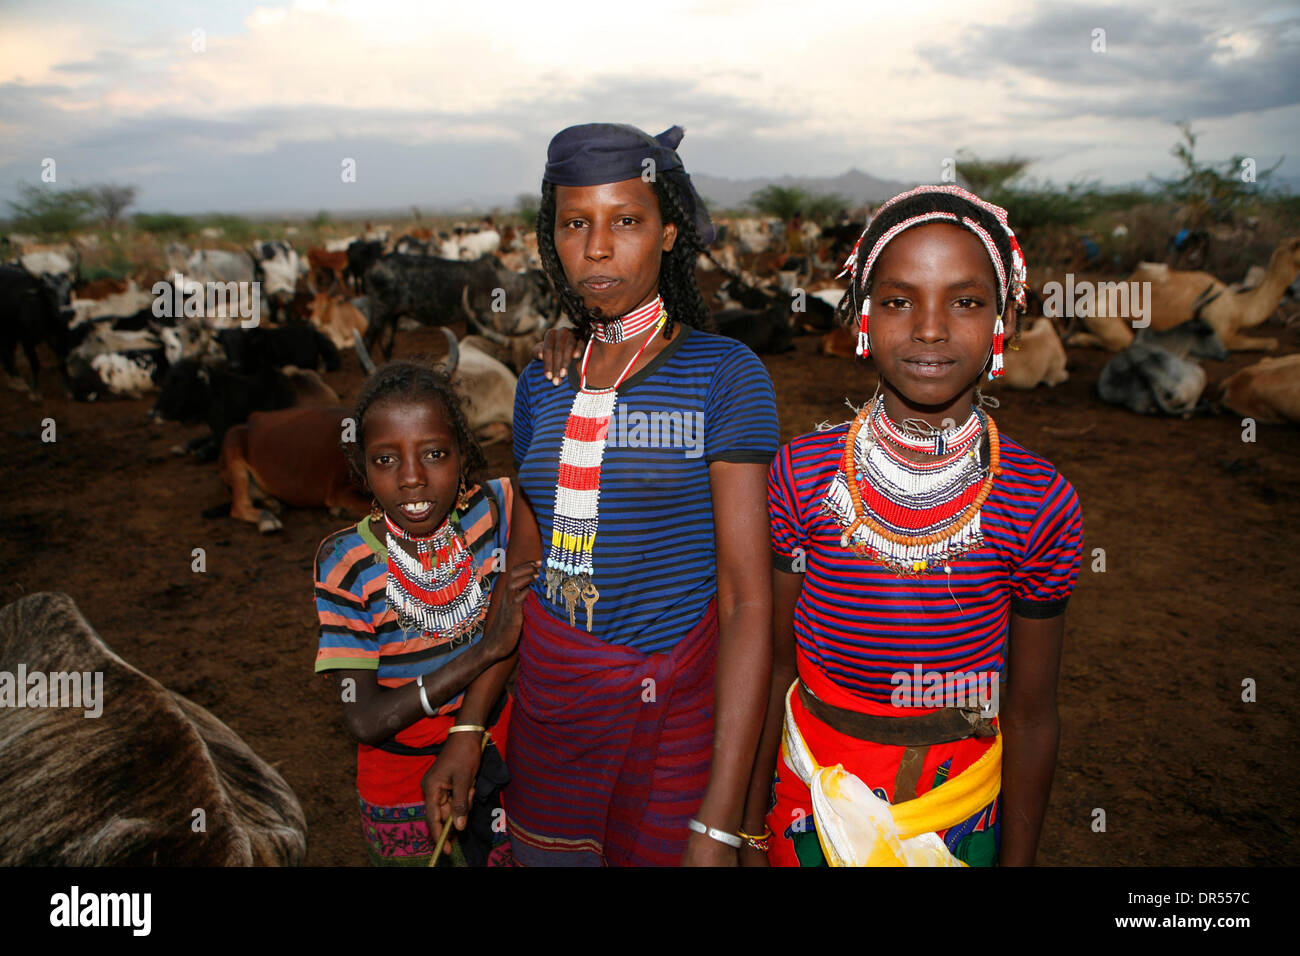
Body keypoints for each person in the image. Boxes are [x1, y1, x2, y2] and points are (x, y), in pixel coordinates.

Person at [743, 185, 1084, 866]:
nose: (931, 327)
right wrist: (751, 830)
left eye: (965, 301)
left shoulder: (1039, 500)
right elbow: (776, 666)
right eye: (899, 300)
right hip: (807, 797)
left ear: (1003, 323)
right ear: (862, 321)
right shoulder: (800, 473)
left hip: (957, 813)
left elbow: (1031, 712)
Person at [505, 123, 779, 866]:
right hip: (549, 717)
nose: (597, 247)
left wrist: (720, 823)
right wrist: (470, 728)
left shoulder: (726, 375)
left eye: (626, 220)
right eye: (574, 223)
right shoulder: (542, 380)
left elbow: (748, 602)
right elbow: (520, 578)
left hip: (673, 719)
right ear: (550, 237)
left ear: (666, 233)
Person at [313, 361, 538, 866]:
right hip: (401, 793)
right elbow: (366, 720)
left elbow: (555, 466)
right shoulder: (345, 562)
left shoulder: (495, 509)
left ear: (464, 452)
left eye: (435, 453)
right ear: (362, 467)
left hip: (501, 760)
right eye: (385, 459)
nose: (412, 478)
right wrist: (484, 652)